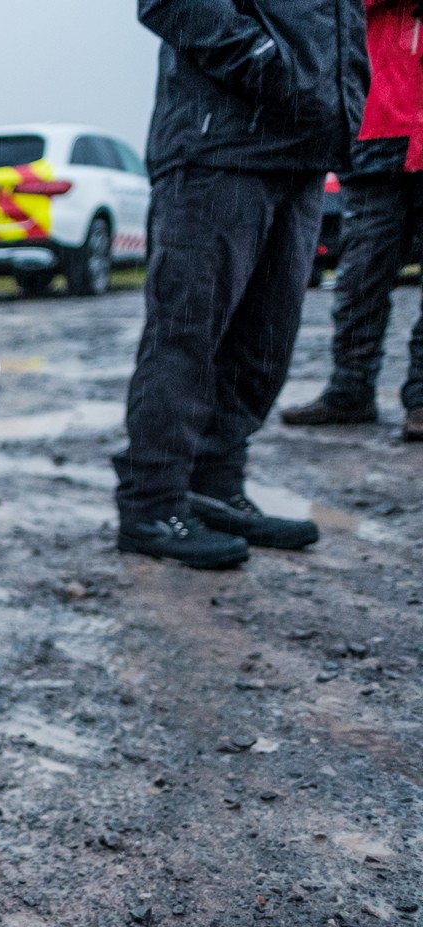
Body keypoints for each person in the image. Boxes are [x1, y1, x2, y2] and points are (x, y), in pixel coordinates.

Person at [113, 0, 368, 569]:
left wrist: (341, 101)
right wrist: (270, 65)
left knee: (265, 344)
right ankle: (152, 504)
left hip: (305, 152)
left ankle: (216, 487)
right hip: (219, 148)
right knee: (186, 337)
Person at [280, 1, 423, 442]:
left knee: (363, 272)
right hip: (377, 122)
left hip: (386, 119)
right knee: (361, 274)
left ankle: (420, 399)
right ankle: (349, 389)